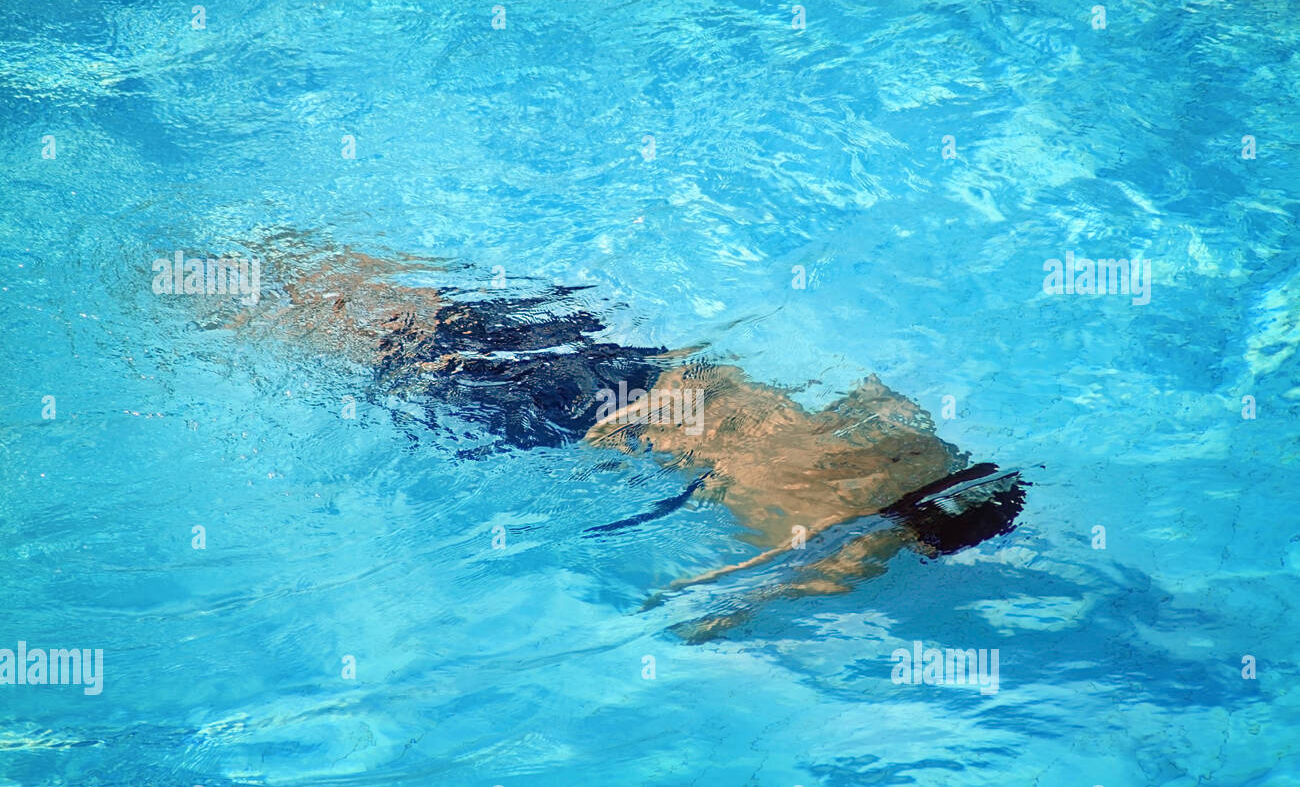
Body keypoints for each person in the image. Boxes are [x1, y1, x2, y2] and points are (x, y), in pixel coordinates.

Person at [209, 237, 1027, 638]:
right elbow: (703, 607)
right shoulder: (855, 552)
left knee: (428, 310)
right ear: (926, 544)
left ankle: (250, 258)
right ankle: (220, 305)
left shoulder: (913, 443)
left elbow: (871, 387)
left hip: (640, 365)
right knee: (390, 350)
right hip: (597, 422)